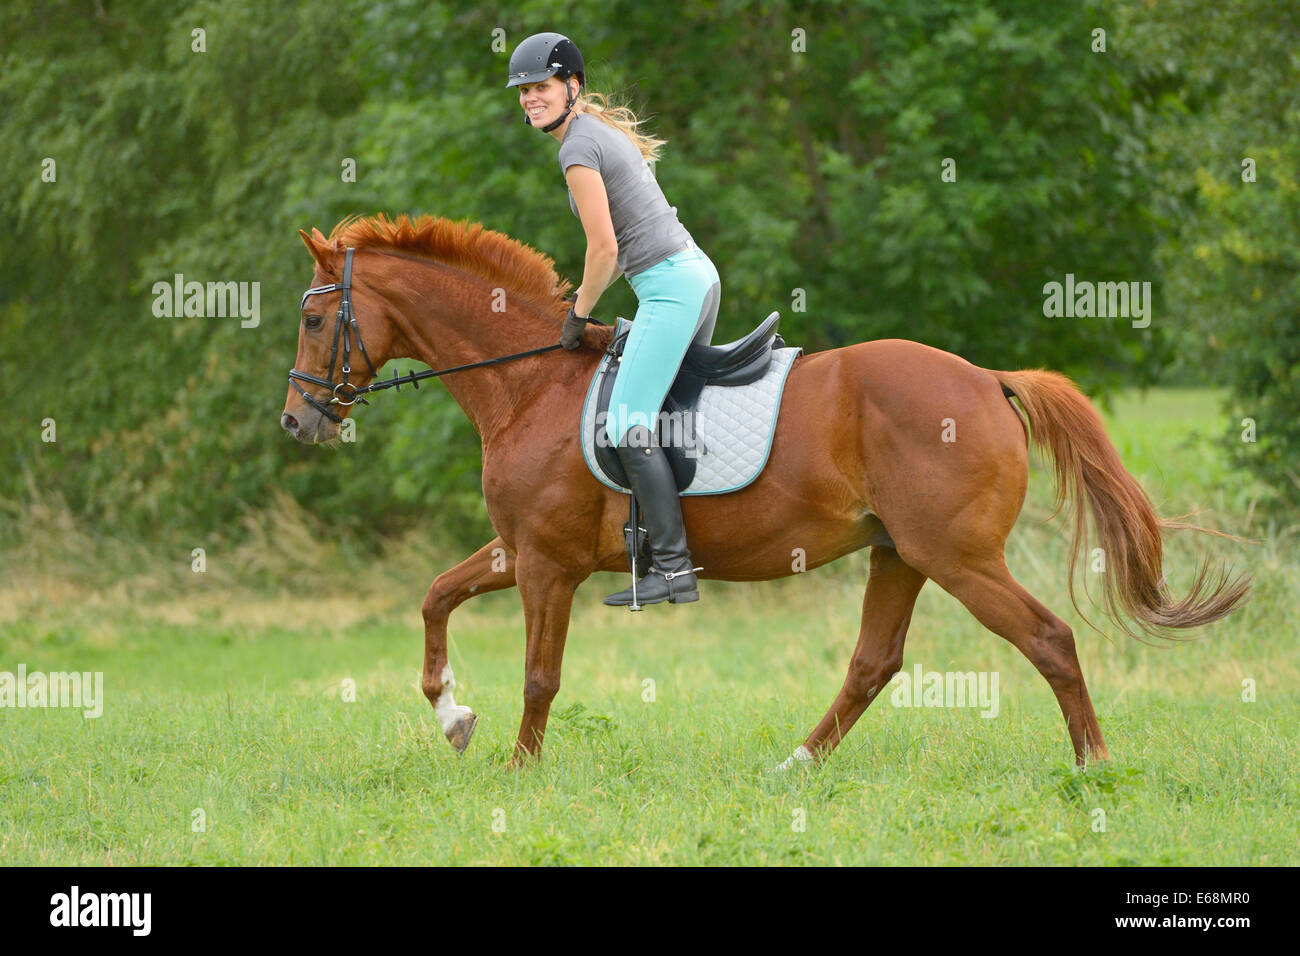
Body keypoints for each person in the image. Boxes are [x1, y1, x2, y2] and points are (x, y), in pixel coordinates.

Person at [506, 32, 718, 607]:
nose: (530, 98)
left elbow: (603, 251)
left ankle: (674, 567)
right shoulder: (595, 133)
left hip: (670, 289)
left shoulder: (576, 149)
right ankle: (657, 539)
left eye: (541, 87)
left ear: (571, 86)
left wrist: (577, 316)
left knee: (626, 423)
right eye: (524, 90)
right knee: (663, 414)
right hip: (696, 276)